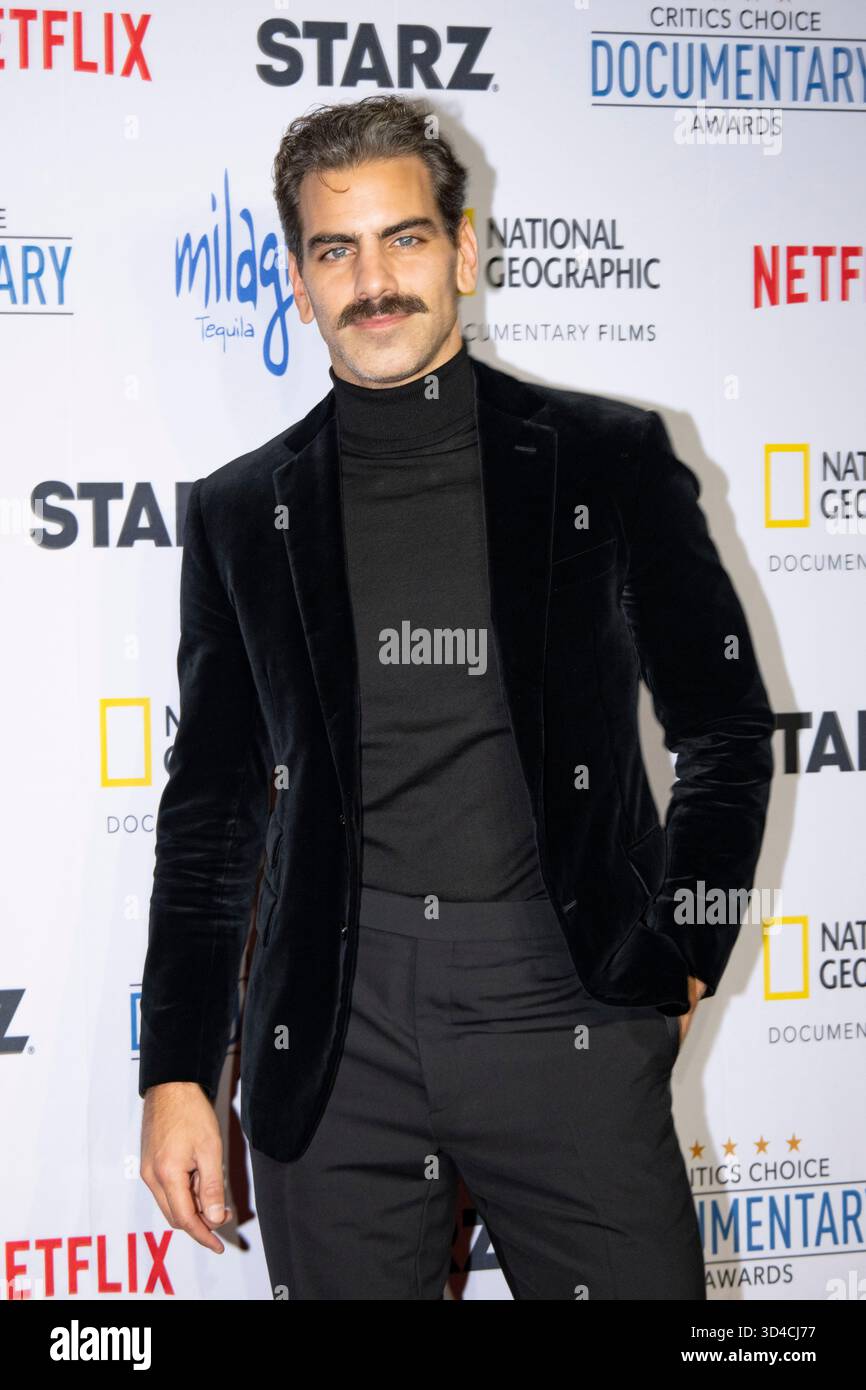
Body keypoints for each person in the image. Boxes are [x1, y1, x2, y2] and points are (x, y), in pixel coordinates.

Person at [139, 94, 774, 1300]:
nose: (373, 280)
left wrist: (683, 943)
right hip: (336, 1033)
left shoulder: (606, 458)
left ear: (464, 249)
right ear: (296, 275)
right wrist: (176, 1069)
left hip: (558, 1002)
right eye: (336, 249)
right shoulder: (236, 513)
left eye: (405, 239)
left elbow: (727, 730)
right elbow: (213, 810)